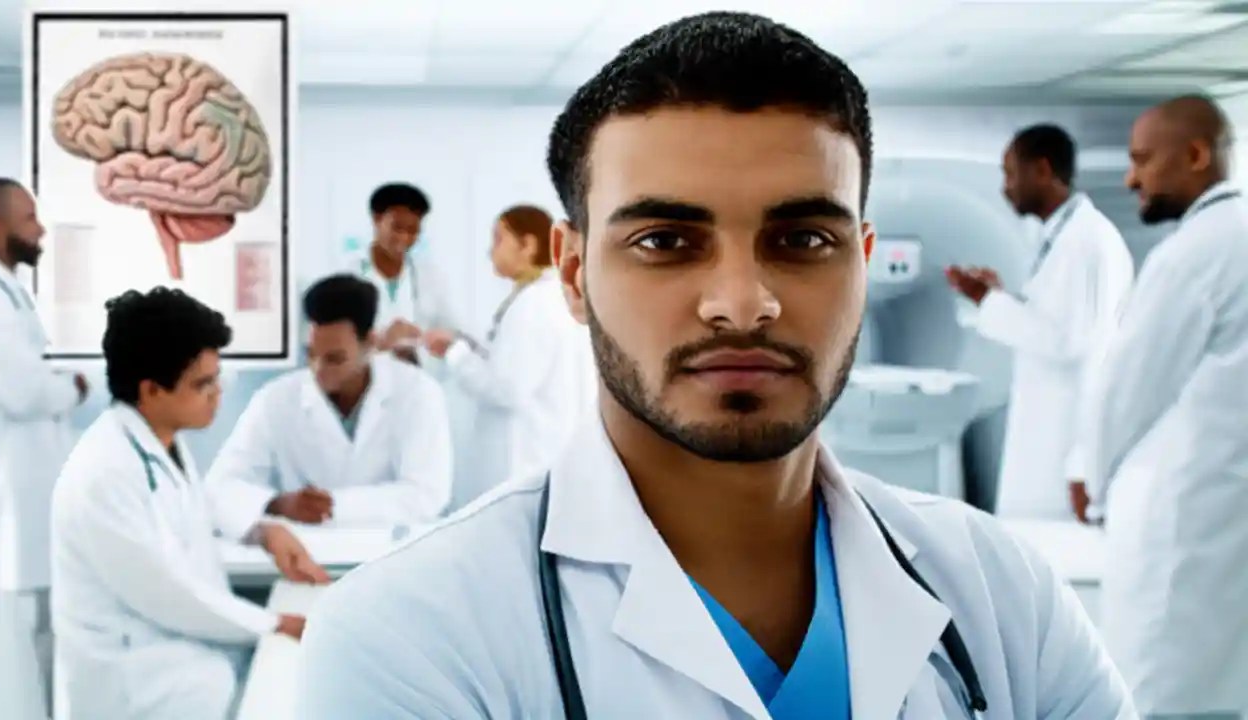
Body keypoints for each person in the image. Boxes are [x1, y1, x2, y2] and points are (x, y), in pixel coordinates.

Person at [296, 13, 1132, 719]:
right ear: (576, 273)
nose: (742, 302)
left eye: (804, 239)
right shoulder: (409, 633)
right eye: (665, 241)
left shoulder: (1004, 596)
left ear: (863, 264)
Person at [50, 287, 327, 720]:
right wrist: (275, 624)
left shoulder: (155, 443)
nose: (217, 393)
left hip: (181, 660)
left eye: (216, 378)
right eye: (203, 384)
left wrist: (264, 531)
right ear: (151, 390)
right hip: (135, 683)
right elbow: (165, 591)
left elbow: (191, 519)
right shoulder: (104, 473)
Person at [1082, 94, 1248, 717]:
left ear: (1198, 155)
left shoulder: (1194, 253)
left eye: (1143, 160)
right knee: (1218, 685)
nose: (1132, 178)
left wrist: (1092, 481)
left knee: (1154, 686)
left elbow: (1129, 384)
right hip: (1227, 508)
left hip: (1185, 510)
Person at [945, 125, 1133, 522]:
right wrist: (1002, 297)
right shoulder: (1064, 238)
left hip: (1065, 438)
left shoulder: (1087, 241)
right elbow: (1055, 322)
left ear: (1043, 170)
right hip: (1049, 427)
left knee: (1055, 554)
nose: (1005, 187)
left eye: (1011, 173)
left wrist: (988, 302)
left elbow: (1069, 341)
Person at [0, 177, 88, 711]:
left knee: (38, 641)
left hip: (29, 495)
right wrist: (73, 386)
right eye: (28, 220)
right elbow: (21, 390)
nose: (40, 231)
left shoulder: (3, 291)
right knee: (13, 651)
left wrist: (57, 385)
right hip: (5, 499)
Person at [206, 274, 453, 532]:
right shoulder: (275, 400)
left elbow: (427, 495)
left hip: (390, 555)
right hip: (306, 558)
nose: (318, 369)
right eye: (311, 354)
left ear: (369, 343)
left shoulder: (418, 393)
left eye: (335, 359)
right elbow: (220, 487)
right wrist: (277, 504)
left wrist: (331, 506)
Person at [420, 205, 593, 505]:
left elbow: (509, 390)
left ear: (527, 245)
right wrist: (471, 348)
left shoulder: (533, 304)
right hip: (541, 457)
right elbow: (515, 367)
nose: (490, 251)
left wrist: (454, 353)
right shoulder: (547, 297)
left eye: (499, 239)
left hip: (521, 462)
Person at [355, 183, 457, 363]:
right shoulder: (350, 274)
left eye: (413, 231)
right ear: (376, 219)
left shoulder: (431, 277)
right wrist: (381, 343)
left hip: (418, 380)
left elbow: (451, 331)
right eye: (397, 228)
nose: (404, 238)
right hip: (366, 383)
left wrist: (433, 338)